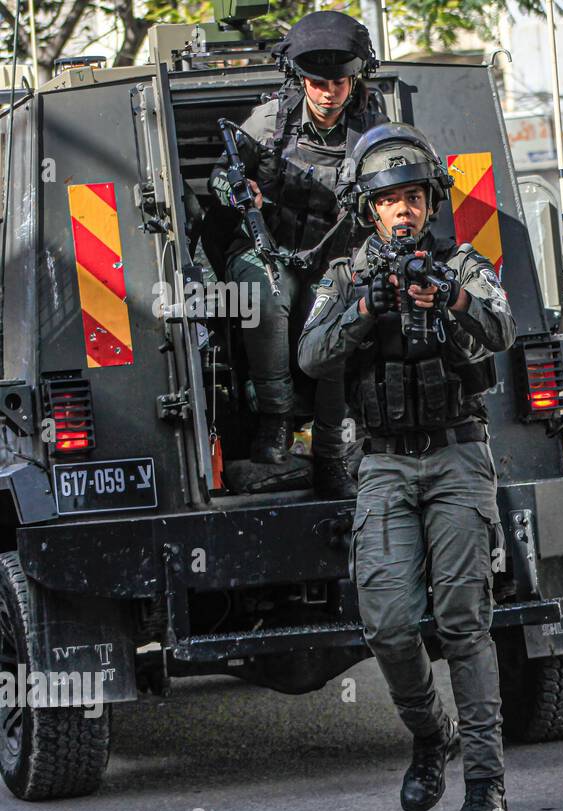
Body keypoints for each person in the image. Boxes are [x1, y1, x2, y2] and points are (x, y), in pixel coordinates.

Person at [298, 122, 515, 811]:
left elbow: (501, 330)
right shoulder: (345, 274)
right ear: (371, 209)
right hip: (386, 462)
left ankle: (485, 783)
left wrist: (447, 302)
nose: (403, 210)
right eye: (389, 200)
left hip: (456, 455)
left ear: (429, 202)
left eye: (414, 197)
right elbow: (311, 355)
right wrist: (368, 306)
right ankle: (432, 736)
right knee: (387, 623)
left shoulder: (463, 265)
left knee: (464, 622)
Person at [209, 10, 387, 498]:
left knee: (333, 322)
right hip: (268, 249)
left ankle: (329, 453)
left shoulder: (372, 131)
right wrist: (235, 188)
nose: (329, 91)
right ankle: (275, 417)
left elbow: (399, 180)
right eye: (318, 81)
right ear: (301, 80)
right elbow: (220, 176)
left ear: (354, 80)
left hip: (336, 258)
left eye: (340, 80)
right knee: (263, 297)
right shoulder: (270, 122)